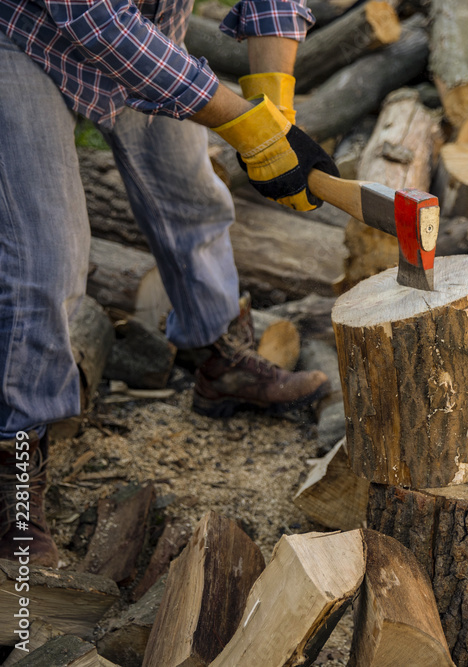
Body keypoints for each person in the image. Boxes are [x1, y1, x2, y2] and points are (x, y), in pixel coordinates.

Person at [0, 0, 339, 567]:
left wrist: (273, 108)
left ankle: (219, 359)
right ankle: (14, 463)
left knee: (191, 195)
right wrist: (243, 123)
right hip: (22, 35)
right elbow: (96, 23)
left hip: (150, 34)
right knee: (45, 254)